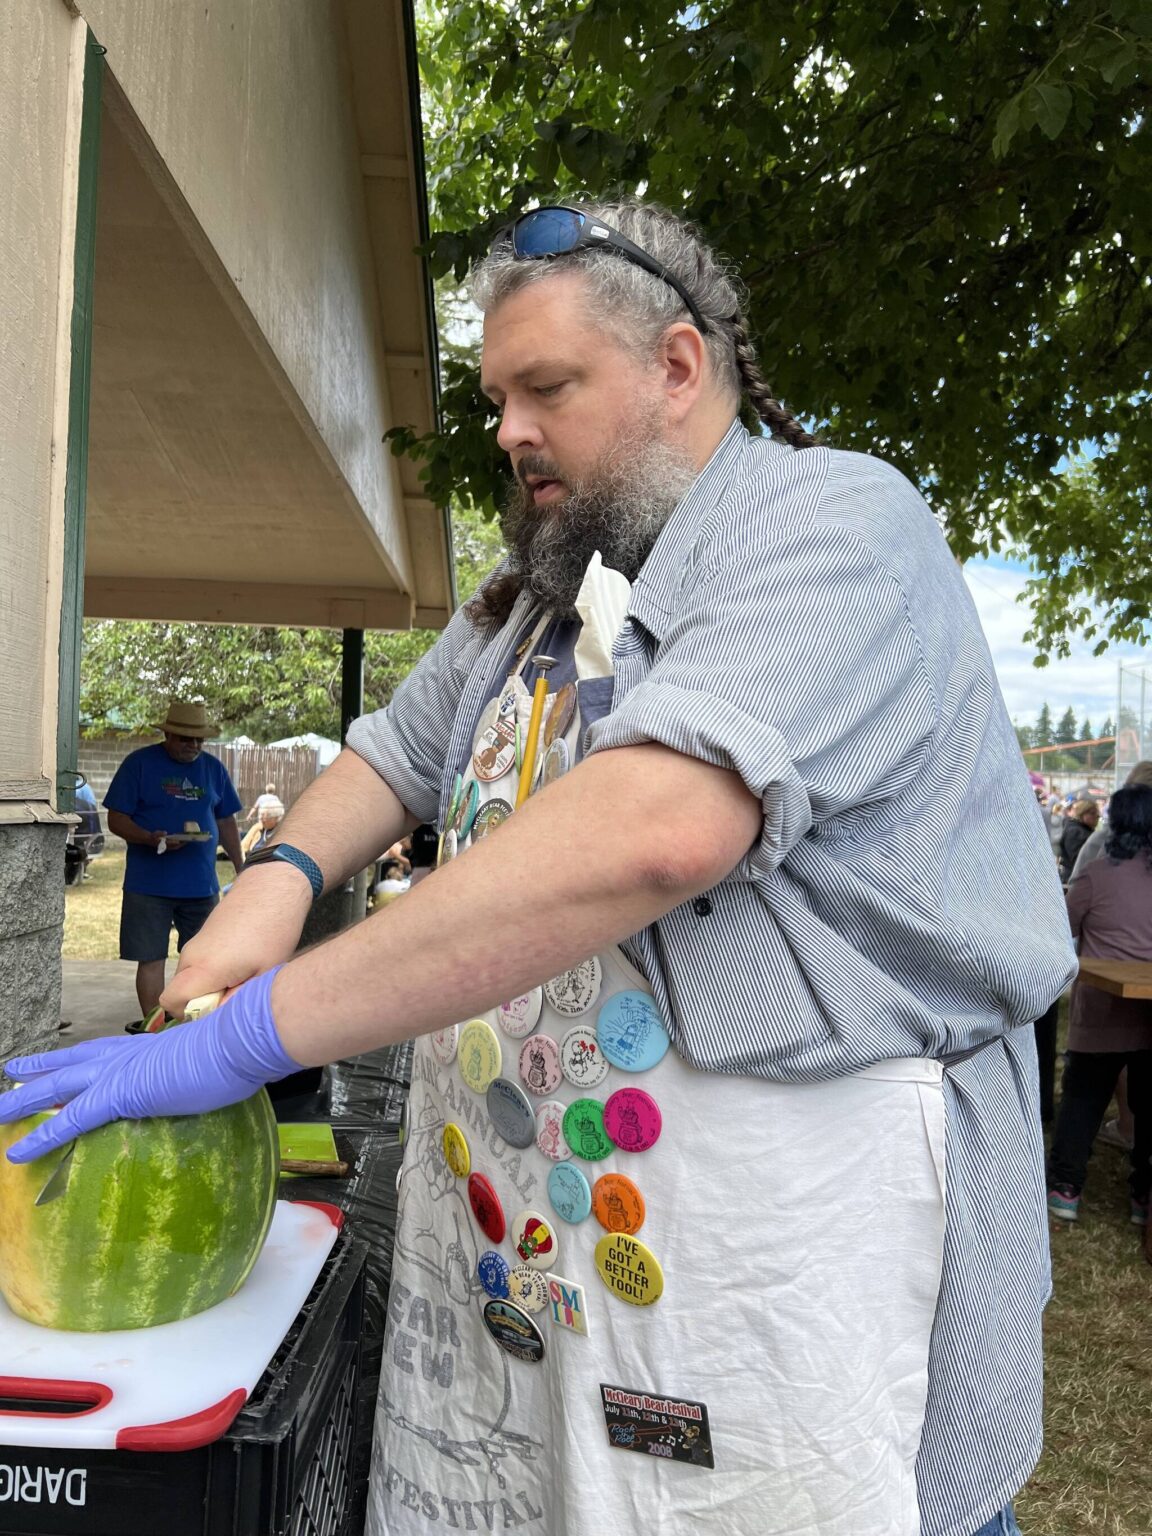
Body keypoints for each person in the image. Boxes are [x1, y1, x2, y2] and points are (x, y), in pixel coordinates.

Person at [2, 200, 1075, 1536]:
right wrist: (268, 889)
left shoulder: (837, 524)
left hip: (782, 1238)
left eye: (545, 389)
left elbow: (658, 829)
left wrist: (248, 1040)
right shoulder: (545, 590)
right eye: (498, 394)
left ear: (679, 368)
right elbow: (393, 752)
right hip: (548, 1228)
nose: (507, 431)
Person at [100, 700, 243, 1029]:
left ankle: (196, 1027)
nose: (193, 746)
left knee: (207, 962)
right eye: (185, 739)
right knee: (151, 959)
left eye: (199, 740)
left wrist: (240, 864)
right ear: (168, 735)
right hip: (147, 885)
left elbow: (226, 822)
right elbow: (116, 818)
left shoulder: (212, 768)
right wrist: (149, 837)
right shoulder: (139, 764)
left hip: (201, 886)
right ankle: (156, 1030)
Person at [1047, 784, 1152, 1223]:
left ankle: (1066, 1189)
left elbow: (1060, 926)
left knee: (1083, 1100)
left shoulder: (1096, 875)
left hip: (1099, 1017)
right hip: (1149, 1021)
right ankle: (1143, 1199)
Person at [1057, 797, 1099, 883]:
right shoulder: (1075, 832)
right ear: (1082, 814)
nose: (1097, 816)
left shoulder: (1082, 829)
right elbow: (1078, 860)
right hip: (1075, 879)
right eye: (1092, 813)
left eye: (1096, 813)